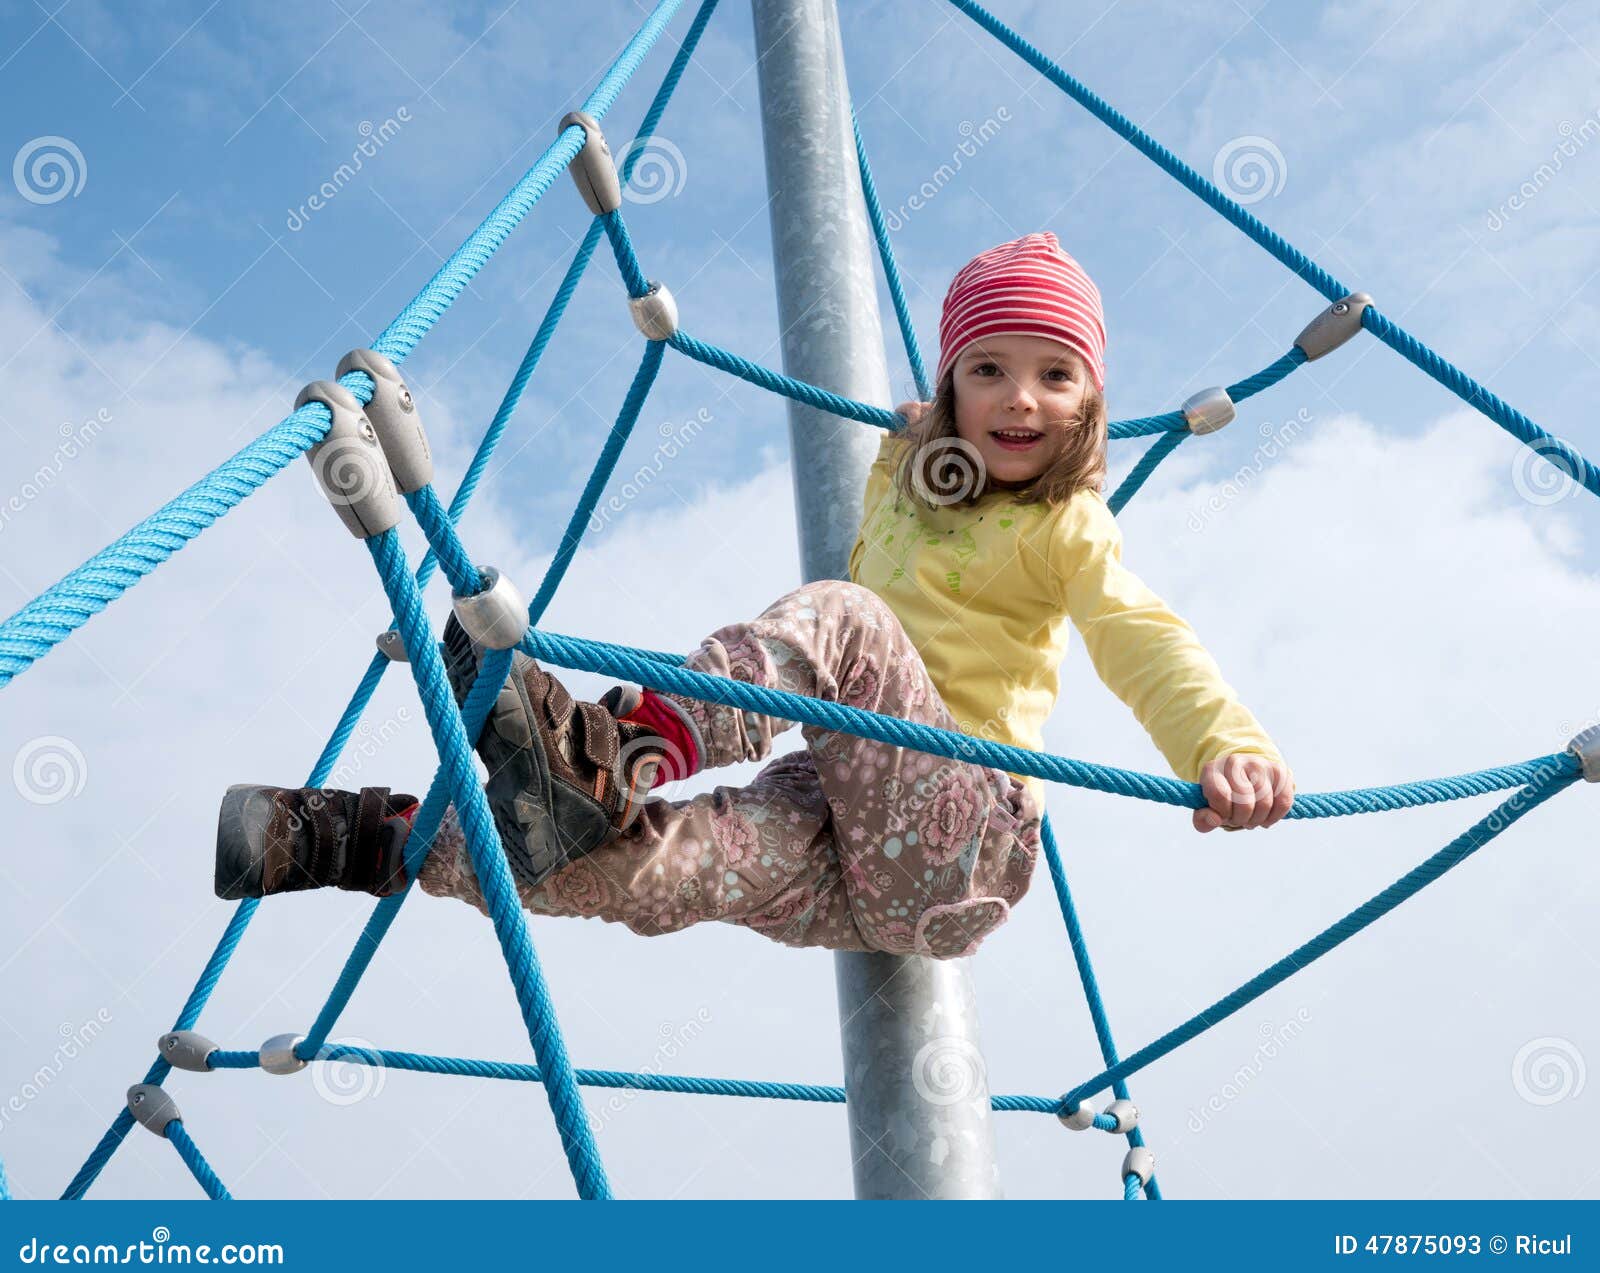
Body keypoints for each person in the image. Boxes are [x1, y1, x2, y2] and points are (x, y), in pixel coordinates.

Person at [213, 232, 1294, 960]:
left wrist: (1221, 745)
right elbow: (903, 472)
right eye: (988, 369)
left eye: (1056, 376)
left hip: (966, 840)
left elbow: (1140, 636)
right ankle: (368, 841)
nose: (1021, 397)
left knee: (844, 619)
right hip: (842, 834)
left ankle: (615, 748)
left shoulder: (1070, 525)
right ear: (949, 384)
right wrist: (912, 444)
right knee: (628, 864)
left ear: (1092, 402)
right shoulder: (907, 480)